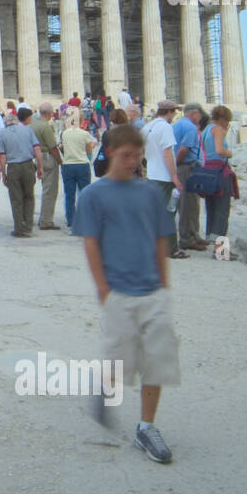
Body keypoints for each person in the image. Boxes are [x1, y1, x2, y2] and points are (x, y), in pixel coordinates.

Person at [73, 124, 180, 464]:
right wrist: (103, 288)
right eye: (126, 155)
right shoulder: (93, 195)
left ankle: (146, 427)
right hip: (118, 290)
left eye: (138, 155)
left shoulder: (149, 193)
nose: (133, 162)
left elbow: (162, 237)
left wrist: (164, 284)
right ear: (110, 154)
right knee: (120, 360)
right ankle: (105, 385)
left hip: (152, 290)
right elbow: (90, 243)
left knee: (157, 361)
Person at [144, 100, 188, 259]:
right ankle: (172, 249)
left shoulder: (147, 127)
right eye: (174, 112)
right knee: (168, 213)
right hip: (164, 177)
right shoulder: (165, 127)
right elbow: (168, 153)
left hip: (152, 175)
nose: (175, 115)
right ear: (169, 111)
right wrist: (175, 176)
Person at [0, 106, 45, 238]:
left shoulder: (2, 134)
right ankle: (28, 226)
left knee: (16, 199)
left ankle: (19, 228)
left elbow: (2, 157)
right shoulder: (27, 130)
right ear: (16, 121)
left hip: (13, 167)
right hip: (28, 165)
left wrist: (4, 175)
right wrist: (40, 167)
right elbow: (37, 150)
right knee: (29, 196)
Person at [201, 105, 239, 256]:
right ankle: (222, 251)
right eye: (227, 121)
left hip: (207, 171)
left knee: (212, 209)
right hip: (220, 172)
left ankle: (214, 244)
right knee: (222, 211)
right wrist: (229, 153)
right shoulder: (217, 129)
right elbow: (219, 150)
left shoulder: (206, 130)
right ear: (223, 119)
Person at [173, 103, 208, 251]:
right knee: (188, 204)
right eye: (200, 116)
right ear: (195, 113)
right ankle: (187, 238)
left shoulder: (177, 125)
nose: (200, 119)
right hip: (186, 168)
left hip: (183, 167)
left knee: (191, 203)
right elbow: (183, 149)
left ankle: (194, 234)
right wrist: (178, 163)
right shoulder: (189, 127)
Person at [61, 106, 96, 229]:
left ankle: (71, 219)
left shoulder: (64, 133)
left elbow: (63, 148)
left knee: (69, 195)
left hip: (68, 165)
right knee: (84, 193)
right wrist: (89, 157)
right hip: (82, 163)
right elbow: (89, 150)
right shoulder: (84, 134)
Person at [32, 101, 64, 230]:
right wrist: (60, 161)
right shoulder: (46, 126)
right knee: (50, 191)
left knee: (45, 189)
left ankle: (43, 218)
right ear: (50, 113)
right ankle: (46, 220)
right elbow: (52, 147)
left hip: (36, 157)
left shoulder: (33, 125)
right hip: (47, 157)